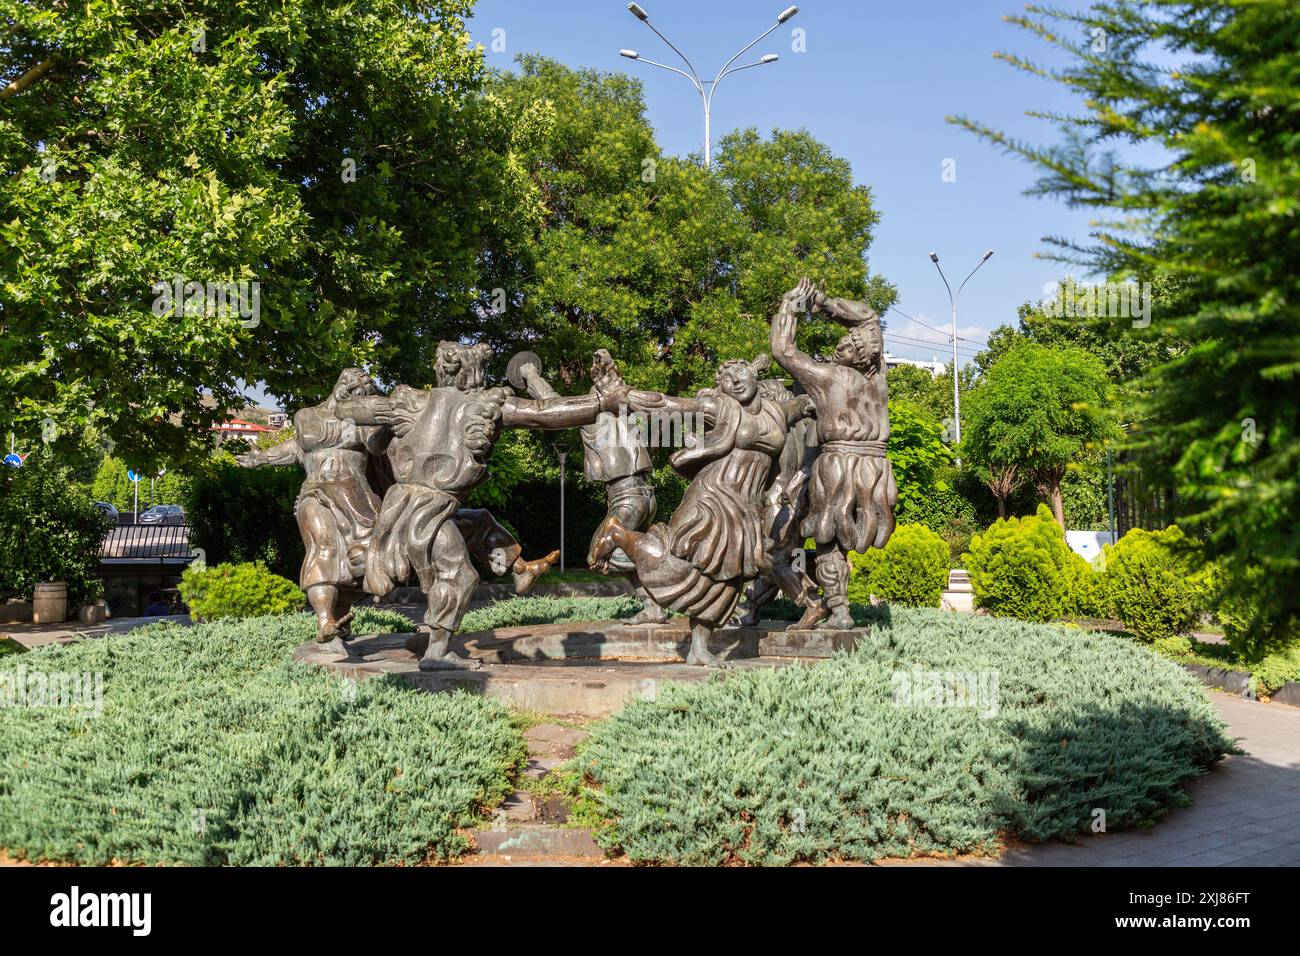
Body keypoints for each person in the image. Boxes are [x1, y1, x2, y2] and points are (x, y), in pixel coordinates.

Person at [336, 341, 624, 670]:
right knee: (458, 574)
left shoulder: (410, 402)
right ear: (476, 373)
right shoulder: (485, 405)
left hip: (400, 505)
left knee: (477, 522)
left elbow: (351, 410)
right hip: (429, 510)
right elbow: (547, 415)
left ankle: (518, 569)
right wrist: (602, 401)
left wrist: (349, 404)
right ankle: (437, 653)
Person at [589, 355, 815, 666]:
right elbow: (666, 404)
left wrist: (818, 395)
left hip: (746, 505)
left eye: (739, 371)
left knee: (729, 578)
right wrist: (622, 394)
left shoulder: (777, 412)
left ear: (754, 372)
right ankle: (618, 533)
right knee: (680, 561)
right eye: (726, 379)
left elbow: (805, 403)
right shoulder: (720, 407)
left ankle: (699, 648)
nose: (734, 380)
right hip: (712, 496)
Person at [770, 277, 897, 631]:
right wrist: (825, 304)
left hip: (839, 461)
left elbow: (783, 351)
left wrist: (791, 305)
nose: (842, 342)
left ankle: (838, 609)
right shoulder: (877, 379)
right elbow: (869, 317)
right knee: (841, 536)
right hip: (876, 467)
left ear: (855, 355)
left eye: (848, 343)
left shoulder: (828, 378)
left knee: (825, 538)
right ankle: (836, 606)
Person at [513, 350, 670, 625]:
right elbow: (617, 384)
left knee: (598, 556)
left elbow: (553, 405)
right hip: (644, 496)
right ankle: (654, 603)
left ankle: (668, 574)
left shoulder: (595, 411)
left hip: (627, 498)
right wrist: (609, 366)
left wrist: (531, 376)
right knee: (625, 552)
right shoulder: (624, 411)